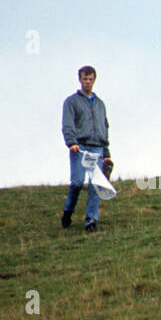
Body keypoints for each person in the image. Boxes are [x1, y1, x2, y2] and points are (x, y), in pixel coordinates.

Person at [60, 66, 112, 232]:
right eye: (84, 79)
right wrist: (71, 142)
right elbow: (67, 124)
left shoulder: (100, 104)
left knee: (96, 185)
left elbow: (104, 127)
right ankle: (68, 211)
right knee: (76, 183)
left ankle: (91, 221)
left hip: (97, 148)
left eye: (90, 79)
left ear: (94, 80)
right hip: (80, 147)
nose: (87, 82)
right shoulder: (71, 101)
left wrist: (106, 154)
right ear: (80, 79)